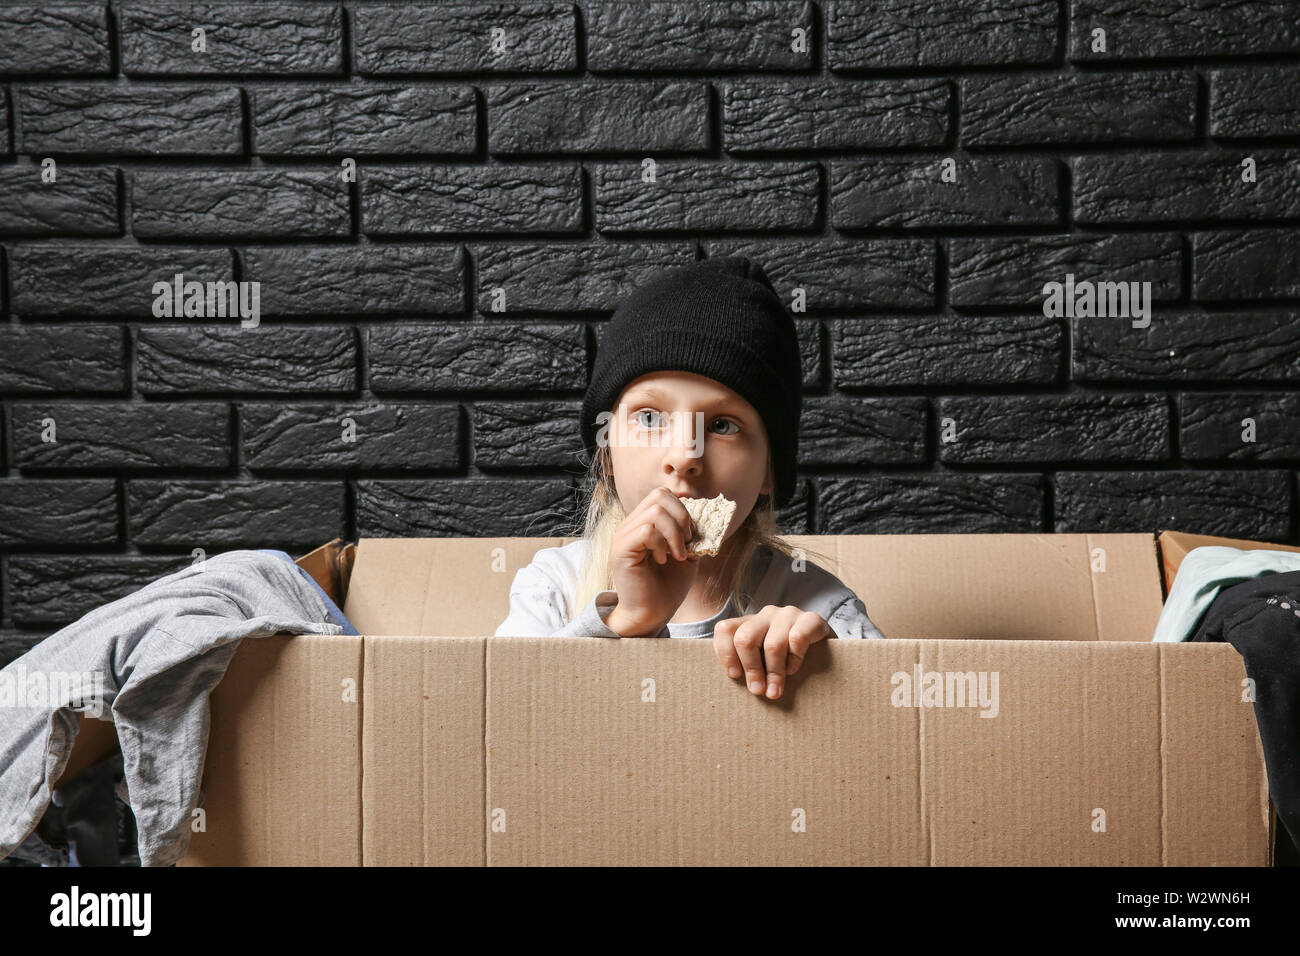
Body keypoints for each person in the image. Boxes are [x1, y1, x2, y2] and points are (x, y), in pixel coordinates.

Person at [494, 256, 886, 700]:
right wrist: (627, 622)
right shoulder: (553, 588)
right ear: (607, 454)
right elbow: (506, 731)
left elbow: (900, 745)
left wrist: (822, 670)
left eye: (722, 426)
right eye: (648, 417)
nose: (684, 456)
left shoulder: (820, 607)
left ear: (769, 471)